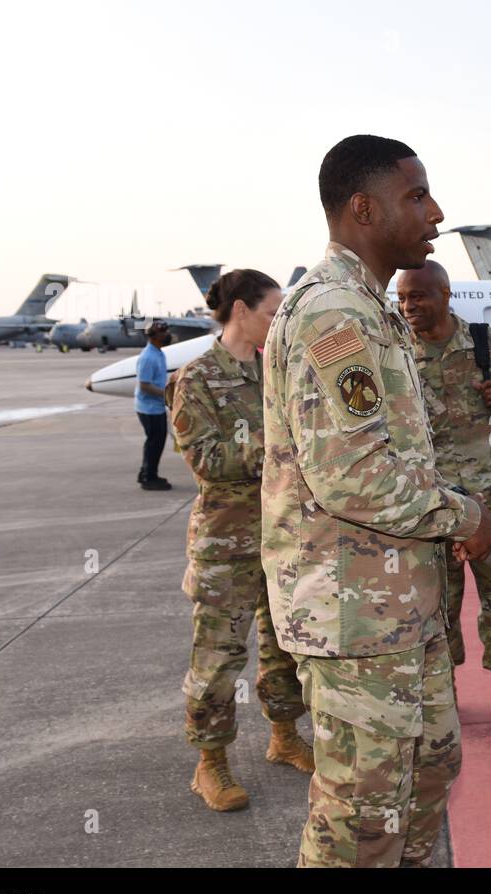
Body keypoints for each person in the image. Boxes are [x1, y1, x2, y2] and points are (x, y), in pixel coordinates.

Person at [261, 135, 491, 868]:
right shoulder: (335, 313)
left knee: (425, 779)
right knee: (360, 826)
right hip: (354, 621)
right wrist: (465, 514)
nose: (436, 211)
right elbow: (352, 476)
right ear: (364, 208)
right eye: (417, 196)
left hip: (399, 610)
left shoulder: (369, 307)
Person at [168, 269, 314, 813]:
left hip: (284, 537)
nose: (280, 322)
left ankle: (284, 736)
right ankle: (211, 764)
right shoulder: (197, 378)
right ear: (240, 310)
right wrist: (279, 447)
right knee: (219, 656)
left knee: (285, 646)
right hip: (225, 545)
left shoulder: (279, 372)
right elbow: (205, 460)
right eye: (274, 312)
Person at [397, 260, 491, 732]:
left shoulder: (487, 344)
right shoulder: (396, 352)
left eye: (417, 296)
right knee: (436, 606)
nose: (409, 307)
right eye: (402, 299)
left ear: (444, 294)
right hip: (432, 507)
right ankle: (444, 696)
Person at [135, 320, 173, 490]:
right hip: (148, 408)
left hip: (155, 406)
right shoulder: (148, 357)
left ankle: (147, 473)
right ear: (154, 336)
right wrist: (167, 395)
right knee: (154, 442)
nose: (166, 334)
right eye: (162, 332)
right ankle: (149, 477)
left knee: (156, 441)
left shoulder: (158, 353)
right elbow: (145, 385)